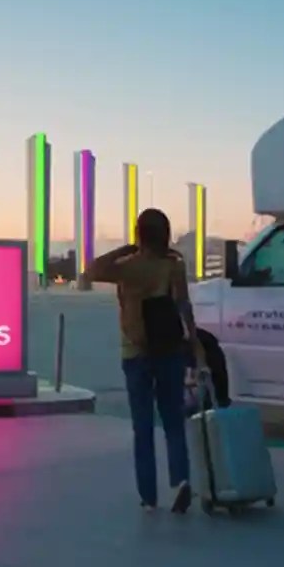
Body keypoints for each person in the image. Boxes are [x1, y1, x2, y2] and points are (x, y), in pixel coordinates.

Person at [85, 208, 206, 514]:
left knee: (143, 427)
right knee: (173, 420)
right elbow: (184, 307)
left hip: (136, 352)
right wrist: (194, 344)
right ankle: (180, 480)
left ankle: (149, 497)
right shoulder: (173, 265)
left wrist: (125, 249)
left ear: (139, 233)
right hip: (168, 349)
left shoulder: (128, 266)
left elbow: (91, 271)